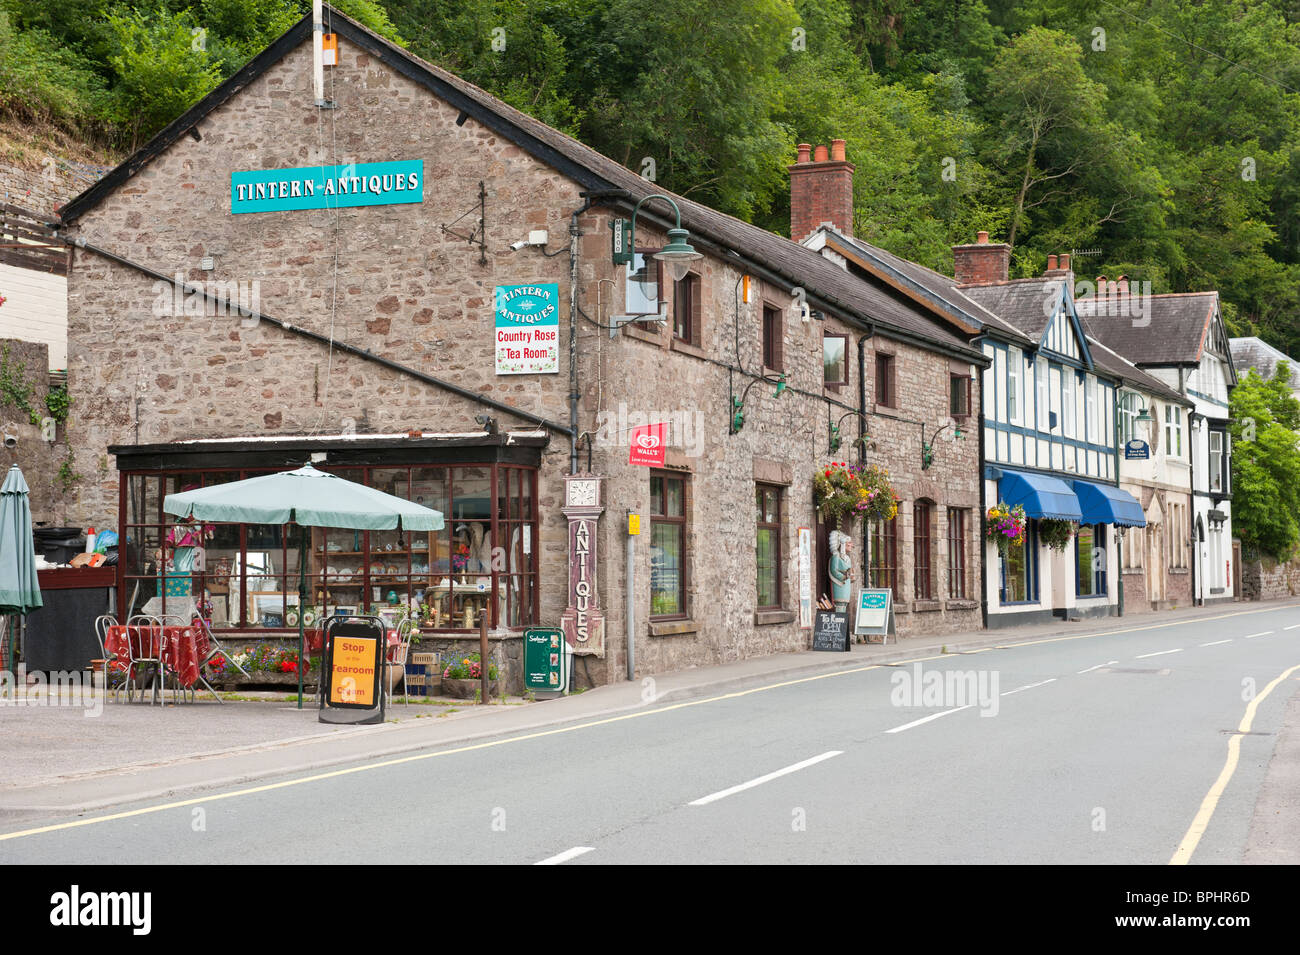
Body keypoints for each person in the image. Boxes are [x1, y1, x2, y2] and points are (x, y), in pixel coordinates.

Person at [828, 531, 853, 613]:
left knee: (844, 604)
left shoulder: (847, 558)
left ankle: (842, 623)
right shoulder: (836, 557)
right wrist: (843, 577)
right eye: (849, 543)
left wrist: (851, 575)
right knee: (839, 605)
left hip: (846, 584)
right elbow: (833, 570)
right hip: (839, 584)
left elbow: (848, 569)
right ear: (843, 544)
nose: (851, 545)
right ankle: (840, 622)